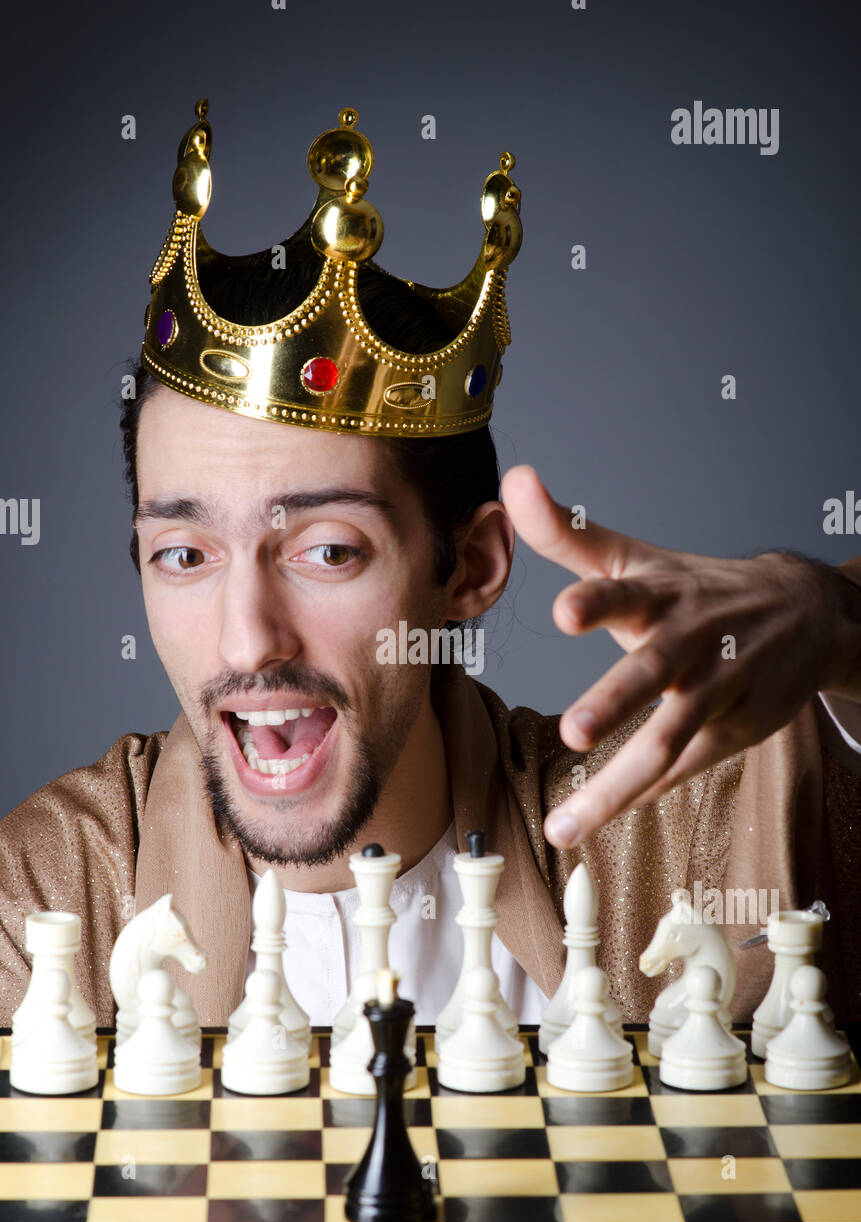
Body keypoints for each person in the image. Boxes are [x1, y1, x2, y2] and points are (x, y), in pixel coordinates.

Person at [1, 102, 859, 1029]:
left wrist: (833, 617)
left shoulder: (665, 831)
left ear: (470, 568)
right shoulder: (43, 893)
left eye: (327, 550)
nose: (246, 637)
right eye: (183, 555)